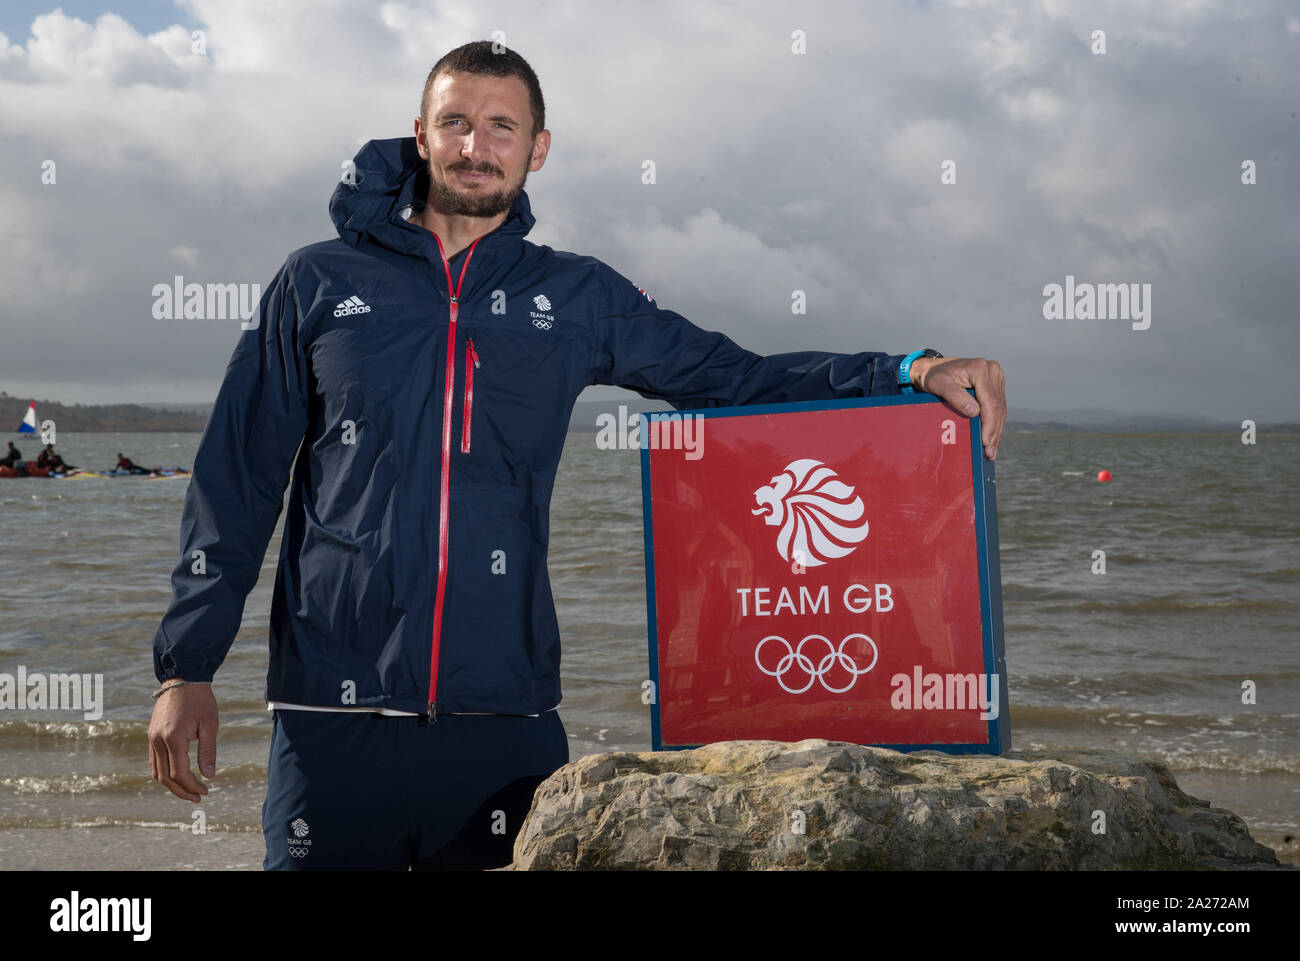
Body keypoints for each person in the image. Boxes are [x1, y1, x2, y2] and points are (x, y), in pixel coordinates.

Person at [148, 41, 1007, 871]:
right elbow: (238, 478)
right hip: (330, 708)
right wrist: (186, 667)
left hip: (504, 711)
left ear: (538, 149)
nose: (475, 146)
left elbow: (731, 377)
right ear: (421, 136)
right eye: (454, 123)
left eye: (500, 126)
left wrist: (906, 369)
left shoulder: (575, 294)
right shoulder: (318, 281)